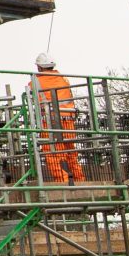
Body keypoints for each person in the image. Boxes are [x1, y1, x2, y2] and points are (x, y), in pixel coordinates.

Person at [33, 55, 86, 184]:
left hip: (50, 121)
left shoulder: (35, 81)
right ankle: (80, 180)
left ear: (39, 67)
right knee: (70, 151)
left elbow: (29, 96)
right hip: (68, 120)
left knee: (52, 152)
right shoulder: (63, 79)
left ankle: (63, 180)